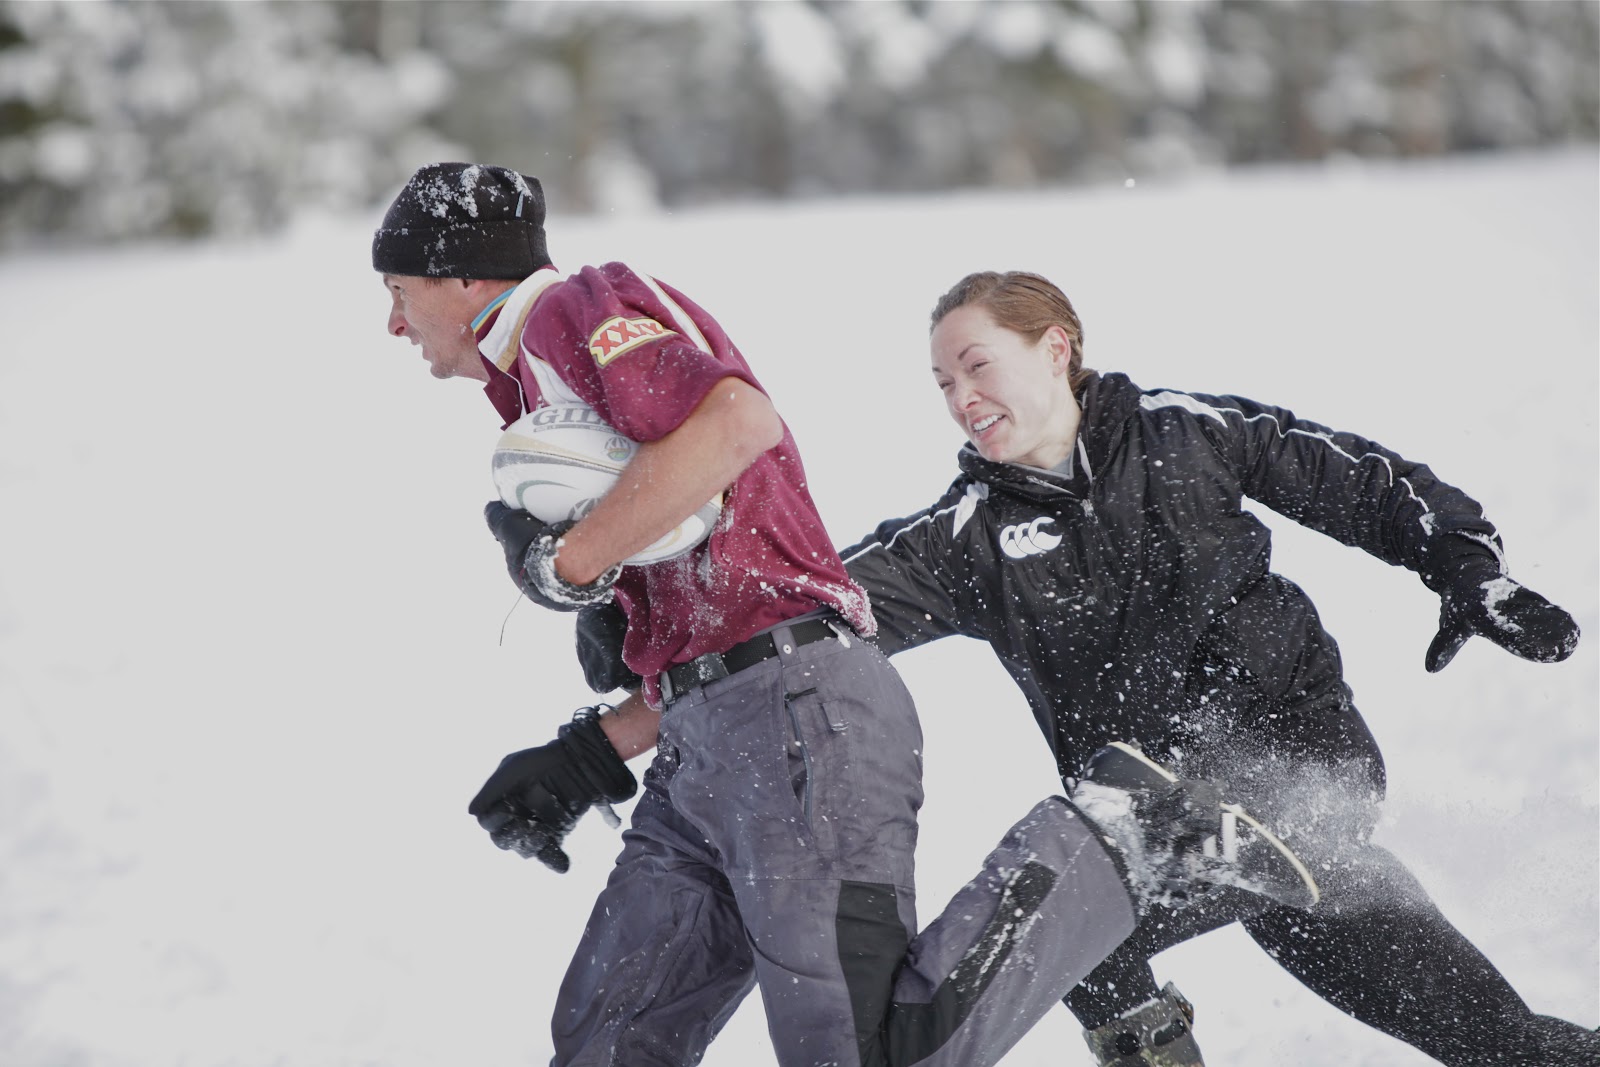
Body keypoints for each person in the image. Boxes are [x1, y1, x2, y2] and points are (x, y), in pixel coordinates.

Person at [371, 165, 1309, 1067]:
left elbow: (738, 423)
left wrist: (571, 564)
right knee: (608, 1044)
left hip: (794, 723)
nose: (393, 320)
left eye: (399, 287)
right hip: (712, 741)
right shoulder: (540, 374)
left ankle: (1123, 831)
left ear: (461, 270)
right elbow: (706, 533)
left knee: (860, 1054)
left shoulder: (573, 309)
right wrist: (596, 719)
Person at [575, 269, 1595, 1067]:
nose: (961, 397)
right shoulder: (963, 539)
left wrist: (1469, 570)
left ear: (1055, 347)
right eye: (941, 382)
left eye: (976, 365)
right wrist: (635, 622)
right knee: (1081, 929)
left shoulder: (1191, 432)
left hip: (1305, 782)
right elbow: (794, 618)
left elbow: (1370, 485)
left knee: (1490, 1039)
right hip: (1158, 828)